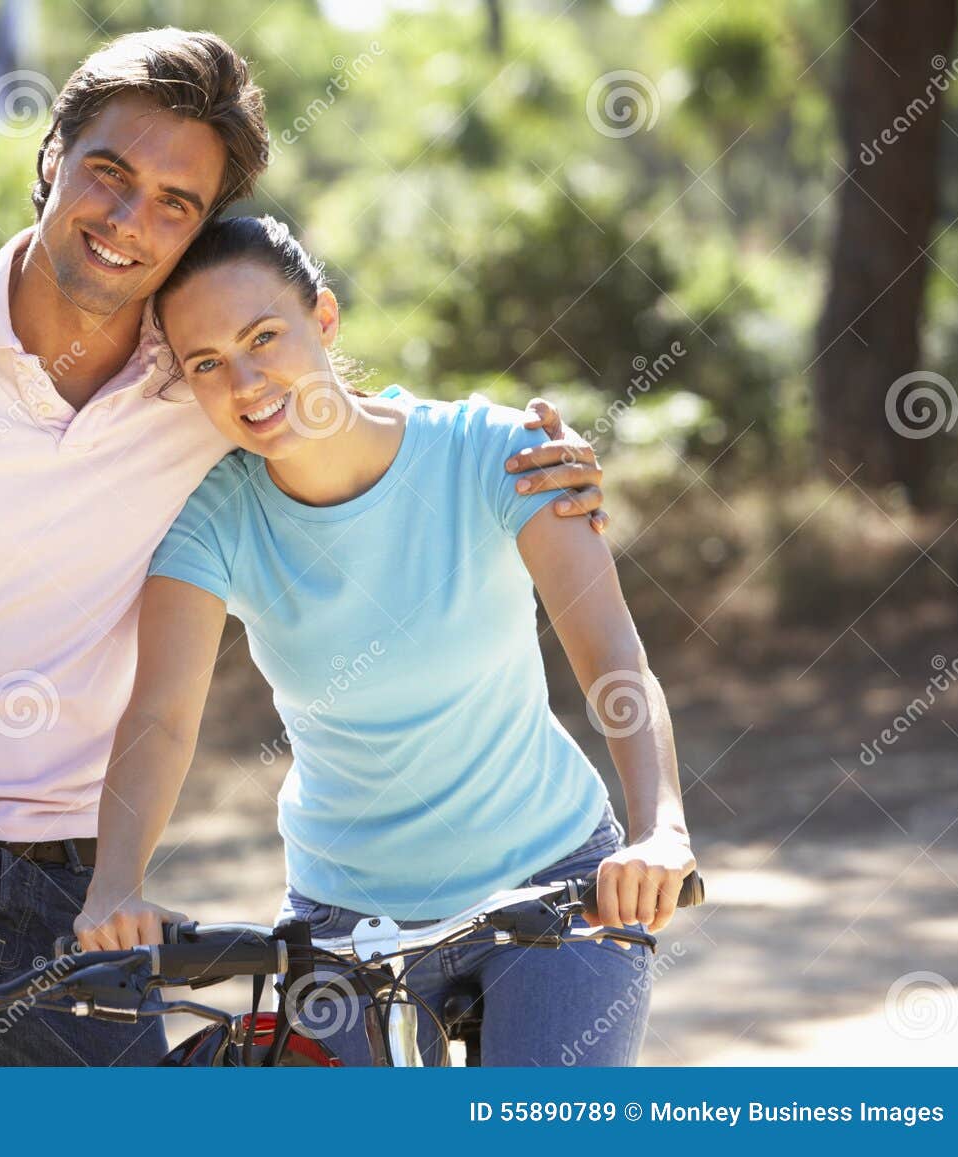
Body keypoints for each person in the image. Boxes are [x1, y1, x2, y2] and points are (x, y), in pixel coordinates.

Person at [0, 30, 608, 1067]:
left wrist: (537, 460)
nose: (128, 219)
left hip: (77, 864)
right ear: (52, 156)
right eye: (109, 173)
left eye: (173, 204)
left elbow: (361, 428)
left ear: (193, 234)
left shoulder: (202, 386)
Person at [74, 216, 694, 1067]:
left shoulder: (497, 453)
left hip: (556, 886)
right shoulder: (214, 516)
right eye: (207, 363)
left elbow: (614, 659)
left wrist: (659, 829)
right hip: (343, 918)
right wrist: (115, 881)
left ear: (322, 320)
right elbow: (162, 715)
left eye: (264, 336)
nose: (247, 381)